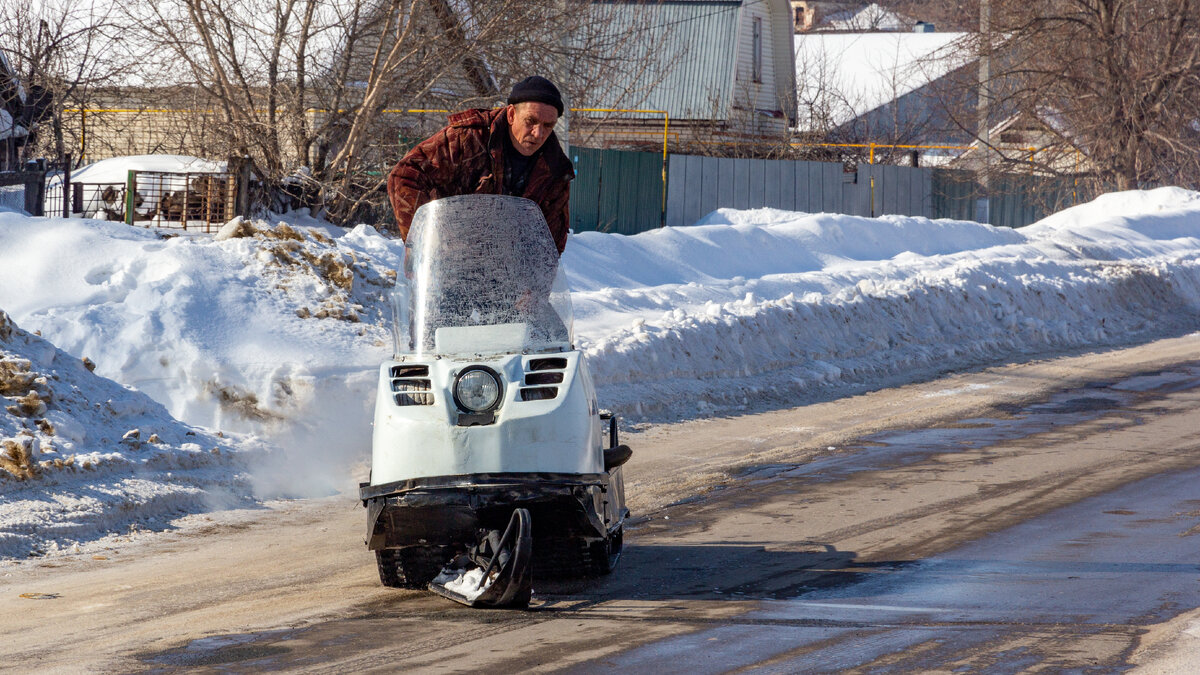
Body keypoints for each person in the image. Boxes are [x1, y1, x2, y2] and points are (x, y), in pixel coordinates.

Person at [387, 76, 575, 254]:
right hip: (446, 264)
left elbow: (549, 246)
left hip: (508, 277)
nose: (538, 133)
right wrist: (423, 241)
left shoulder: (556, 171)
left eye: (548, 125)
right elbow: (405, 175)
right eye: (531, 121)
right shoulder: (467, 140)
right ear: (511, 114)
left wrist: (533, 281)